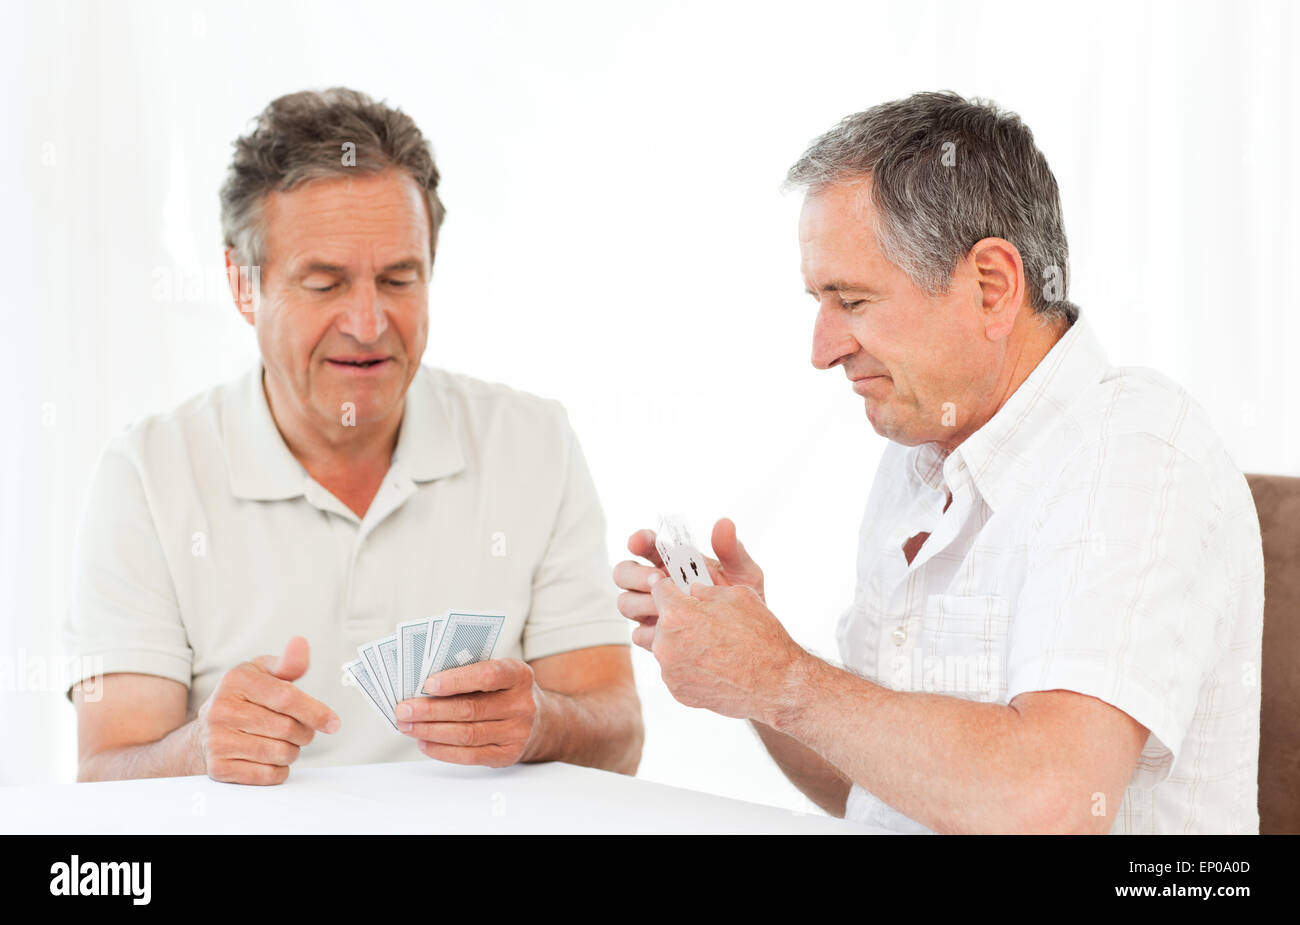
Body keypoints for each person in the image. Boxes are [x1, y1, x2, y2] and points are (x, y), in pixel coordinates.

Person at [613, 91, 1264, 834]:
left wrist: (780, 676)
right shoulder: (923, 452)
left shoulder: (1138, 456)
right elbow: (881, 785)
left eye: (851, 301)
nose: (821, 350)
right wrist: (754, 658)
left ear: (992, 286)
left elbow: (1051, 803)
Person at [66, 87, 643, 785]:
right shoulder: (148, 473)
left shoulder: (533, 441)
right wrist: (197, 749)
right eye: (325, 283)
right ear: (243, 285)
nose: (369, 324)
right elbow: (104, 772)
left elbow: (620, 738)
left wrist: (543, 722)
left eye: (399, 278)